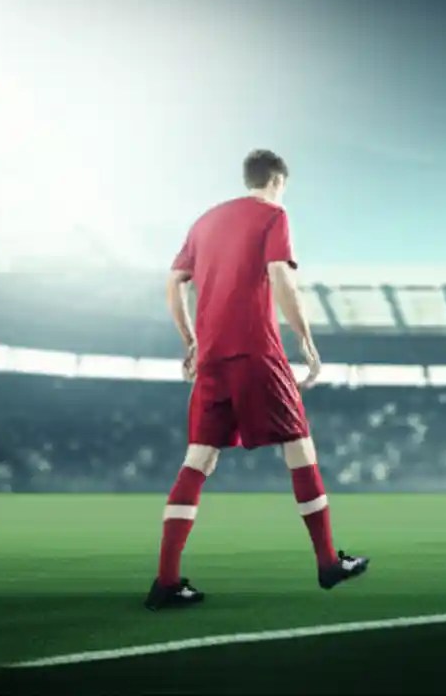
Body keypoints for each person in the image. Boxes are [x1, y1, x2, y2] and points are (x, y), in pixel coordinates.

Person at [145, 149, 368, 611]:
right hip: (256, 351)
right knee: (300, 449)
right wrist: (306, 341)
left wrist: (190, 339)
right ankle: (328, 562)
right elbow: (281, 280)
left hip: (211, 358)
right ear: (278, 179)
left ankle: (165, 582)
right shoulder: (273, 214)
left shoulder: (205, 221)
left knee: (198, 460)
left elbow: (172, 284)